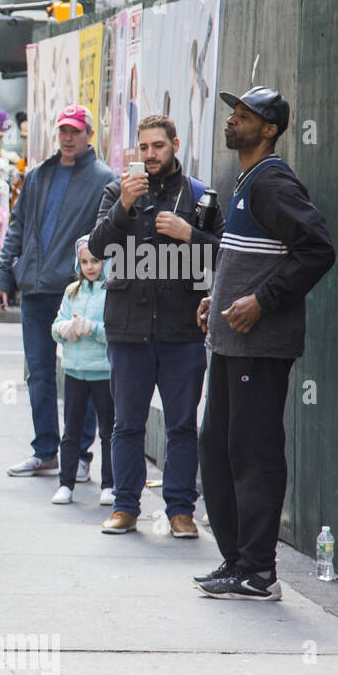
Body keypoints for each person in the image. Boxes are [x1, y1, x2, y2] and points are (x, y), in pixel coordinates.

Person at [195, 86, 334, 600]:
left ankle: (259, 572)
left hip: (261, 344)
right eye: (233, 112)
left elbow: (318, 249)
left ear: (269, 130)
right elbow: (244, 256)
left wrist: (261, 301)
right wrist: (218, 297)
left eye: (245, 115)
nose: (232, 121)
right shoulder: (243, 178)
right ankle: (236, 563)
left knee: (253, 454)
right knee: (219, 449)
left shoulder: (272, 183)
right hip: (231, 342)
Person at [87, 113, 224, 536]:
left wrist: (190, 235)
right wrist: (125, 206)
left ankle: (180, 509)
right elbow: (97, 248)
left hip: (182, 330)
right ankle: (125, 507)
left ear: (175, 145)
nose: (150, 155)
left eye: (157, 146)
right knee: (126, 423)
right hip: (128, 329)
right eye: (143, 147)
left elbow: (224, 257)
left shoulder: (199, 196)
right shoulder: (117, 190)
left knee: (183, 423)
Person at [0, 103, 115, 479]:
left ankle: (80, 456)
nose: (69, 137)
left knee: (86, 375)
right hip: (36, 290)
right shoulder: (38, 175)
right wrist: (1, 277)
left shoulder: (104, 179)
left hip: (80, 293)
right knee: (39, 373)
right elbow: (17, 227)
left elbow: (108, 239)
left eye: (76, 131)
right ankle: (45, 451)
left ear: (89, 135)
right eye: (63, 131)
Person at [50, 238, 114, 505]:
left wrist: (93, 328)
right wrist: (63, 330)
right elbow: (57, 325)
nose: (89, 267)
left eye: (95, 261)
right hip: (75, 371)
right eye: (85, 261)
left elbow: (115, 333)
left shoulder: (113, 291)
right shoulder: (71, 291)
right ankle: (66, 483)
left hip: (103, 372)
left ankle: (110, 485)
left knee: (108, 431)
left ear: (106, 262)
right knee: (71, 431)